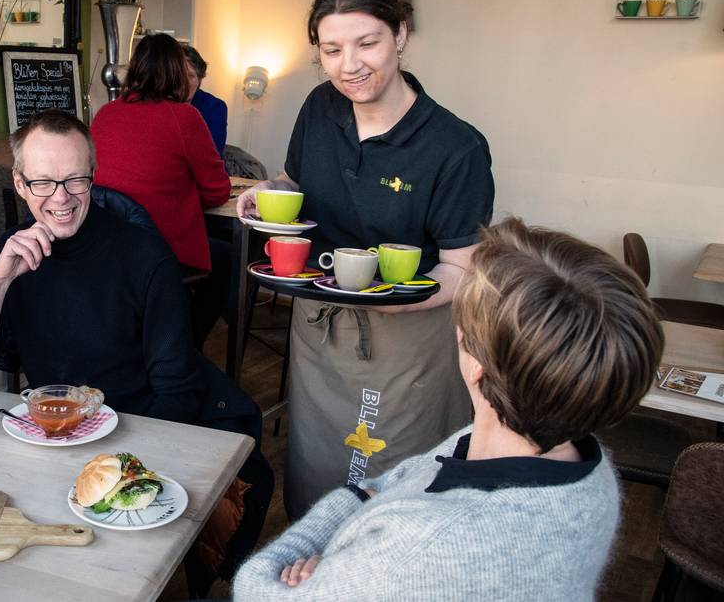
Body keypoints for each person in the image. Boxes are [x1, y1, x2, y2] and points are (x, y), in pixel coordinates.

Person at [232, 218, 665, 601]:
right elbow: (416, 474)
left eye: (464, 320)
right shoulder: (586, 466)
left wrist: (342, 525)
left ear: (476, 365)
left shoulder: (430, 544)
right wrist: (360, 528)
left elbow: (257, 588)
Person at [0, 109, 271, 586]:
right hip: (59, 436)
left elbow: (176, 395)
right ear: (19, 184)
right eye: (43, 183)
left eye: (75, 180)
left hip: (138, 438)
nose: (60, 197)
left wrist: (114, 471)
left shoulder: (144, 257)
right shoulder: (13, 255)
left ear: (93, 177)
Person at [235, 0, 494, 519]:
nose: (348, 65)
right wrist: (270, 192)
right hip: (319, 325)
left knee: (389, 477)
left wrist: (379, 295)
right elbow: (297, 182)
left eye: (367, 43)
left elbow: (461, 271)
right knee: (317, 459)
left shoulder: (454, 146)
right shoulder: (320, 109)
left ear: (400, 35)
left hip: (408, 337)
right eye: (331, 49)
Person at [91, 33, 232, 347]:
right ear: (178, 72)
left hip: (106, 247)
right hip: (159, 251)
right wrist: (178, 192)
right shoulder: (184, 117)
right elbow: (217, 191)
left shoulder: (105, 114)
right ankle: (183, 346)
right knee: (227, 258)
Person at [183, 44, 228, 156]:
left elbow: (212, 153)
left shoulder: (215, 107)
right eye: (179, 75)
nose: (184, 82)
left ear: (199, 79)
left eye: (190, 76)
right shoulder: (163, 104)